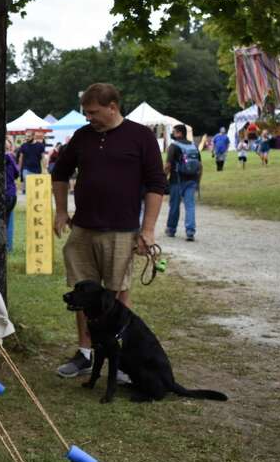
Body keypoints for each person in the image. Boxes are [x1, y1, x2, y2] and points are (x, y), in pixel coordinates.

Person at [51, 83, 166, 379]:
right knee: (81, 293)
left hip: (122, 231)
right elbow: (60, 173)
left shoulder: (141, 136)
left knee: (118, 295)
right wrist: (61, 211)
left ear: (112, 107)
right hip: (83, 230)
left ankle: (121, 358)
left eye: (93, 112)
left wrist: (148, 230)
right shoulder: (82, 136)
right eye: (86, 113)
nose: (88, 118)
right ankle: (85, 354)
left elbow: (156, 184)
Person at [164, 124, 202, 242]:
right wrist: (198, 182)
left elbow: (168, 165)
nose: (172, 134)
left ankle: (171, 229)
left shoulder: (173, 146)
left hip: (177, 180)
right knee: (190, 206)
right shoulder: (193, 146)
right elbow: (200, 165)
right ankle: (190, 232)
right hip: (192, 180)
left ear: (179, 133)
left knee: (174, 206)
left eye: (174, 132)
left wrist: (163, 178)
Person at [4, 137, 19, 224]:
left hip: (6, 194)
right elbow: (16, 174)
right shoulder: (12, 157)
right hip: (12, 194)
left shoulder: (6, 157)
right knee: (5, 222)